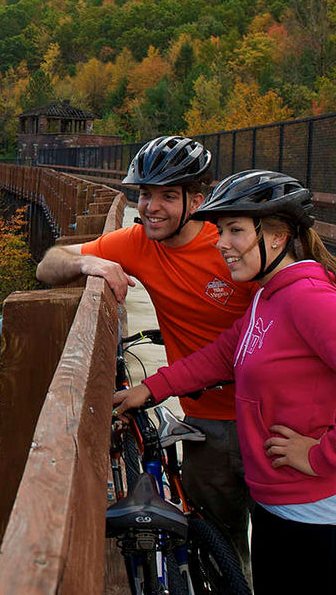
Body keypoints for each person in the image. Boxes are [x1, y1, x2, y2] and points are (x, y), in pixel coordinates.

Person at [114, 170, 336, 595]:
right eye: (221, 231)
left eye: (235, 231)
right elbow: (222, 355)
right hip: (284, 510)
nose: (221, 244)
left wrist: (325, 455)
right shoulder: (268, 295)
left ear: (276, 237)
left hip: (324, 519)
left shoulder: (309, 297)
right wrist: (151, 388)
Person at [36, 135, 255, 572]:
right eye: (144, 194)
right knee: (226, 552)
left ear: (197, 199)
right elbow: (47, 265)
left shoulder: (232, 245)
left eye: (167, 196)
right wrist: (89, 264)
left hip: (269, 415)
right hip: (207, 420)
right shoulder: (137, 242)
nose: (151, 207)